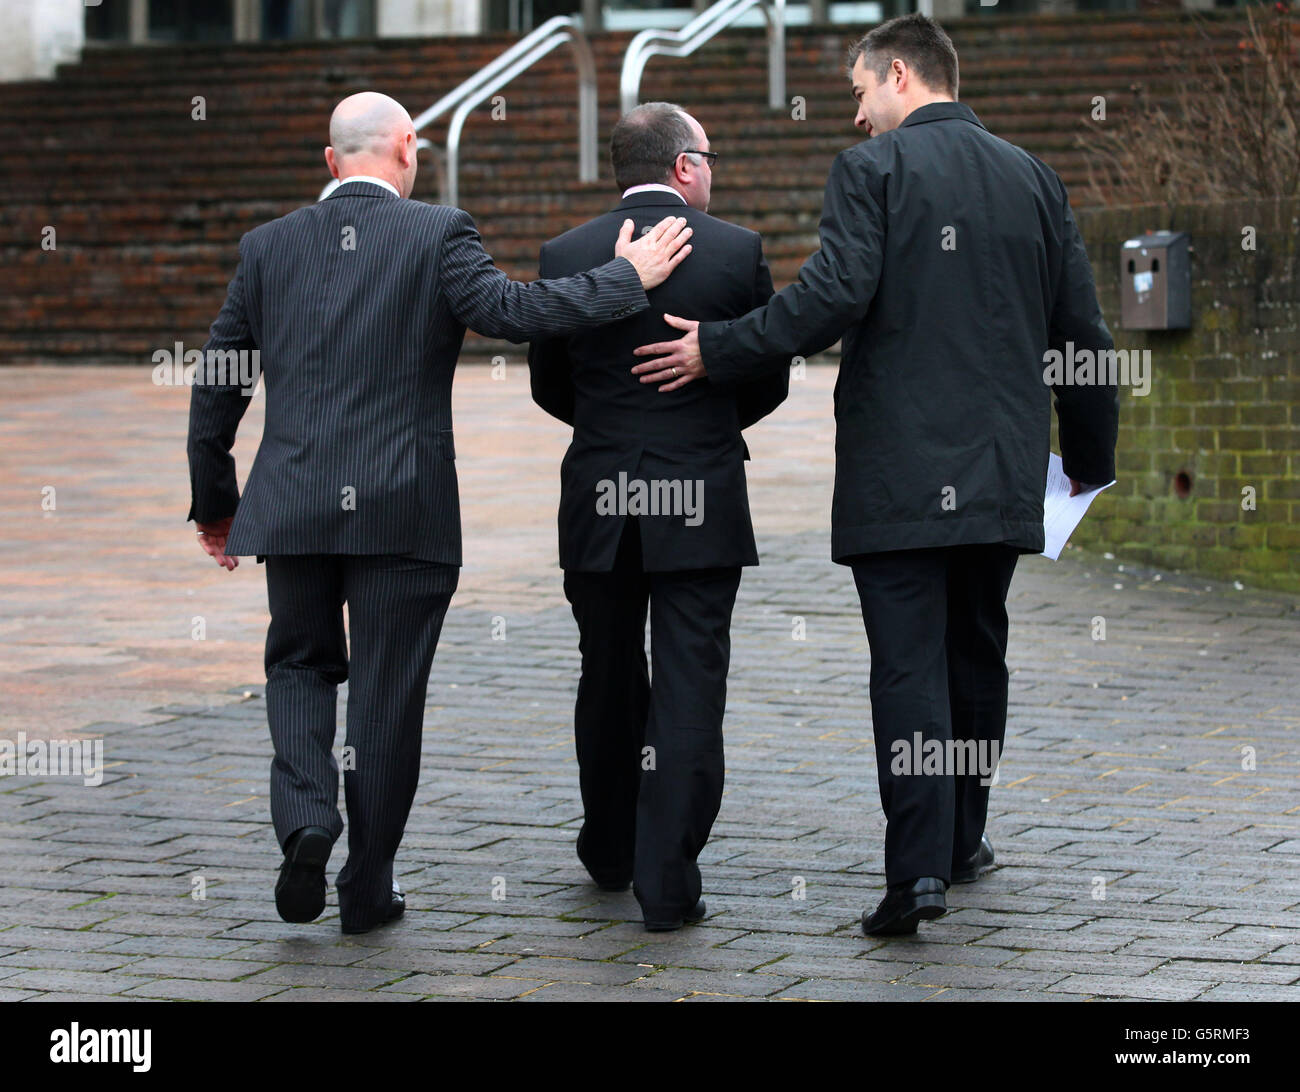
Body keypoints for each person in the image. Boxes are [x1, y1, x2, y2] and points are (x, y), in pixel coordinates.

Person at [630, 15, 1119, 936]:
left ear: (900, 73)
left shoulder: (874, 173)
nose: (855, 116)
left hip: (899, 474)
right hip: (1003, 473)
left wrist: (721, 348)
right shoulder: (1033, 178)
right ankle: (961, 840)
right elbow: (1082, 337)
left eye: (858, 92)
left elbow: (831, 296)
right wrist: (1087, 466)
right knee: (977, 654)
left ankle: (916, 876)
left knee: (907, 667)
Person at [187, 91, 693, 935]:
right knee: (387, 695)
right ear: (408, 150)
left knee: (300, 667)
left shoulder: (267, 247)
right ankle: (367, 887)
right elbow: (517, 315)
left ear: (330, 160)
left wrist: (218, 502)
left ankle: (307, 816)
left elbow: (218, 381)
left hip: (298, 506)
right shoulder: (437, 234)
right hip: (404, 507)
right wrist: (625, 278)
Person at [528, 103, 788, 931]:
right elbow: (769, 378)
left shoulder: (566, 254)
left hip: (600, 497)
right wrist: (702, 428)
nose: (713, 171)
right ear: (683, 166)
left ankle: (608, 850)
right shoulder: (737, 252)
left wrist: (612, 430)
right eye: (708, 156)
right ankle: (668, 886)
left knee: (605, 676)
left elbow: (546, 384)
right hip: (701, 497)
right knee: (689, 686)